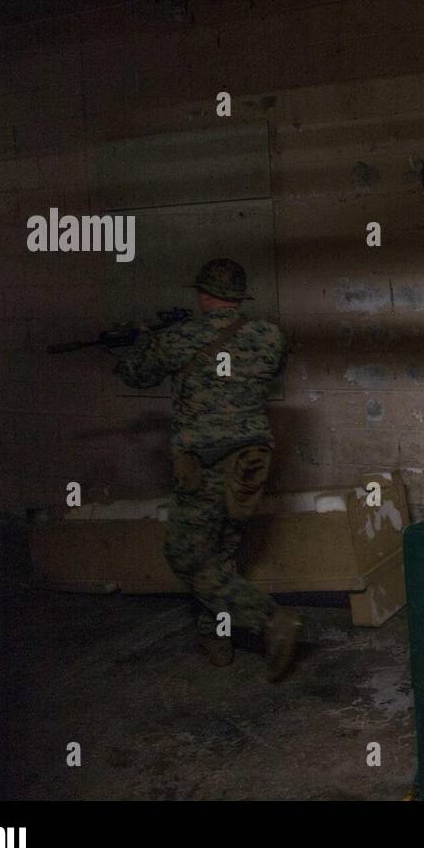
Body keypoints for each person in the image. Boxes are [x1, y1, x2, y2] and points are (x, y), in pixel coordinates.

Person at [114, 257, 303, 681]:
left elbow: (134, 374)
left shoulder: (179, 338)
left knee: (186, 555)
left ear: (204, 294)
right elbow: (262, 373)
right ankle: (217, 639)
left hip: (204, 463)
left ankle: (269, 619)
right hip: (250, 462)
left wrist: (141, 342)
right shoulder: (270, 335)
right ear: (238, 295)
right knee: (222, 551)